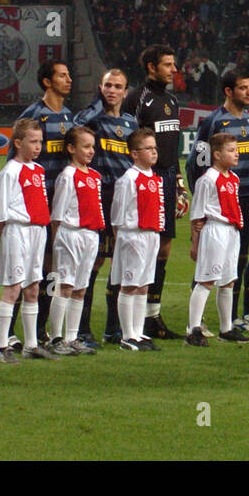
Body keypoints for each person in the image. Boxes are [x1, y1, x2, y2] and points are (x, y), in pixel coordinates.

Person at [121, 45, 187, 341]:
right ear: (151, 67)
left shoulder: (172, 99)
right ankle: (122, 321)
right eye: (168, 65)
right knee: (139, 247)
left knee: (163, 248)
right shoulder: (137, 98)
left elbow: (172, 145)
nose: (174, 70)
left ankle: (152, 315)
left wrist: (180, 183)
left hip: (169, 179)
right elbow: (126, 139)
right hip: (148, 180)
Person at [73, 69, 139, 346]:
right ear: (100, 88)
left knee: (119, 262)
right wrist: (98, 106)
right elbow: (77, 128)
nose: (112, 91)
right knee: (94, 260)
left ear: (126, 91)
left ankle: (114, 328)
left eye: (117, 87)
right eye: (107, 86)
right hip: (98, 195)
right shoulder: (92, 120)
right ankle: (82, 329)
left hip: (122, 198)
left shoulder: (130, 122)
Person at [0, 119, 57, 363]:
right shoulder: (10, 171)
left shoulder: (38, 170)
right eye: (33, 141)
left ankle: (31, 344)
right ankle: (1, 347)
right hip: (17, 231)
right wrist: (7, 238)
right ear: (18, 143)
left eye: (40, 142)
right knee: (13, 289)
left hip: (37, 232)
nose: (38, 146)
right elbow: (0, 211)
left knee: (32, 288)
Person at [18, 59, 74, 346]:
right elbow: (19, 159)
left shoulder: (67, 115)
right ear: (47, 82)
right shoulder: (35, 114)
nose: (69, 80)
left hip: (60, 199)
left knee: (51, 262)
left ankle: (41, 326)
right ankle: (18, 328)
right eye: (62, 76)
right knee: (28, 263)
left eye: (68, 75)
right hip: (37, 199)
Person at [186, 133, 249, 345]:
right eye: (231, 150)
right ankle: (193, 329)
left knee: (229, 280)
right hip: (215, 230)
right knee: (206, 279)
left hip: (232, 231)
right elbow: (197, 215)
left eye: (236, 150)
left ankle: (226, 328)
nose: (236, 154)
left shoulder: (234, 178)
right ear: (216, 154)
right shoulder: (208, 179)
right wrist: (195, 243)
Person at [47, 126, 106, 355]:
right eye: (86, 146)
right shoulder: (68, 176)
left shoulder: (94, 176)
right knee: (64, 286)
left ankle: (72, 337)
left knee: (80, 288)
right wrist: (55, 242)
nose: (91, 151)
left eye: (93, 147)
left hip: (90, 235)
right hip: (70, 234)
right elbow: (57, 214)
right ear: (71, 148)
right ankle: (55, 338)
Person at [109, 127, 165, 350]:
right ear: (134, 153)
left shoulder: (154, 178)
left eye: (154, 148)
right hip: (133, 236)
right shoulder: (128, 179)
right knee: (130, 285)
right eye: (148, 148)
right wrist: (120, 239)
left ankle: (139, 332)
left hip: (151, 235)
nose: (153, 152)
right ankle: (127, 335)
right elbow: (118, 214)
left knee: (143, 285)